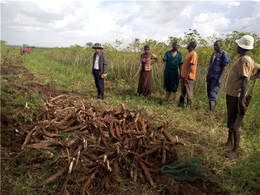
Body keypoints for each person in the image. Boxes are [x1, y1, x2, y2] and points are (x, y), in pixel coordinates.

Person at [224, 35, 260, 159]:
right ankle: (229, 141)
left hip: (236, 95)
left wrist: (241, 101)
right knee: (231, 118)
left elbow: (245, 81)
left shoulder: (245, 61)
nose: (236, 47)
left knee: (236, 123)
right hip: (231, 93)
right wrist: (252, 77)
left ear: (241, 46)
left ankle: (236, 150)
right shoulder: (245, 60)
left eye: (237, 45)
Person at [205, 40, 231, 114]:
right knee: (209, 91)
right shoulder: (213, 54)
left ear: (220, 45)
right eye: (214, 45)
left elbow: (224, 67)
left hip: (217, 76)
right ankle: (210, 108)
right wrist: (208, 75)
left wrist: (220, 78)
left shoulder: (224, 54)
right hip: (210, 75)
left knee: (213, 92)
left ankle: (211, 111)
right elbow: (211, 65)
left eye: (217, 45)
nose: (215, 47)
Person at [177, 42, 198, 108]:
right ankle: (181, 104)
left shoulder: (194, 54)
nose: (187, 45)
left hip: (189, 76)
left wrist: (186, 76)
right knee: (183, 91)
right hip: (184, 75)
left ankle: (188, 106)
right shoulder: (189, 53)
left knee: (189, 91)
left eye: (188, 44)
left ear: (191, 45)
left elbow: (191, 65)